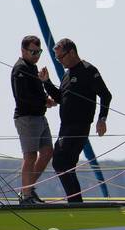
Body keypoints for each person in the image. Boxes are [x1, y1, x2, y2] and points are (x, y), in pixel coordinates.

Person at [42, 38, 112, 203]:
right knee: (65, 165)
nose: (59, 61)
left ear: (72, 52)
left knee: (59, 162)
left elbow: (106, 95)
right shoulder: (67, 74)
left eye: (61, 57)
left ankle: (74, 202)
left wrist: (102, 119)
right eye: (57, 58)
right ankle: (74, 202)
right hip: (65, 127)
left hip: (79, 126)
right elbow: (60, 98)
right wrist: (46, 82)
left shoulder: (88, 70)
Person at [11, 36, 54, 205]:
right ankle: (26, 195)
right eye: (33, 52)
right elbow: (22, 97)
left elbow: (35, 92)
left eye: (39, 52)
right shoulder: (20, 69)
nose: (36, 55)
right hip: (26, 118)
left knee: (47, 152)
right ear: (23, 50)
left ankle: (28, 189)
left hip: (39, 117)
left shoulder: (32, 67)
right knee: (30, 155)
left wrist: (46, 99)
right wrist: (44, 101)